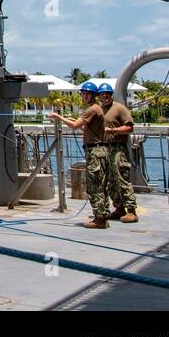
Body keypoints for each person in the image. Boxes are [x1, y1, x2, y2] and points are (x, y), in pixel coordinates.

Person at [49, 81, 110, 228]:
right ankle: (102, 216)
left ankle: (100, 219)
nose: (83, 96)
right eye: (83, 93)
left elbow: (76, 125)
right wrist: (70, 120)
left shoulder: (92, 109)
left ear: (91, 95)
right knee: (100, 184)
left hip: (95, 151)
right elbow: (86, 128)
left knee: (94, 185)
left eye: (85, 94)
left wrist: (58, 117)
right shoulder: (96, 109)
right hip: (98, 150)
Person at [98, 83, 138, 223]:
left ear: (111, 94)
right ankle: (119, 208)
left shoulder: (120, 108)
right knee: (110, 182)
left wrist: (113, 131)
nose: (105, 96)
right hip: (104, 148)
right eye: (102, 94)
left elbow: (129, 127)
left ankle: (131, 210)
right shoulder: (99, 110)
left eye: (107, 94)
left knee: (122, 178)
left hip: (118, 148)